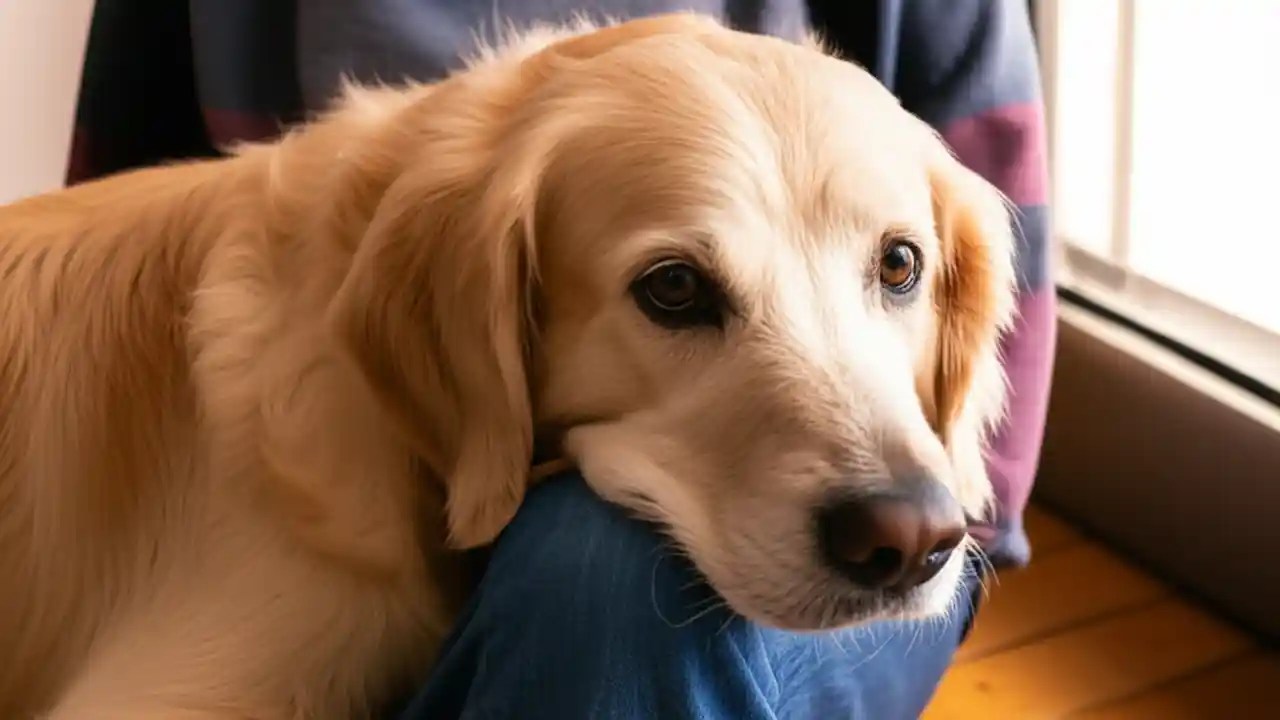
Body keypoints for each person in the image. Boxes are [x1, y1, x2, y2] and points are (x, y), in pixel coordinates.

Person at [67, 1, 1054, 716]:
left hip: (639, 562)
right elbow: (125, 312)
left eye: (893, 268)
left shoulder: (908, 491)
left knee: (606, 586)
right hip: (385, 436)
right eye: (676, 289)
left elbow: (976, 471)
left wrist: (962, 482)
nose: (891, 497)